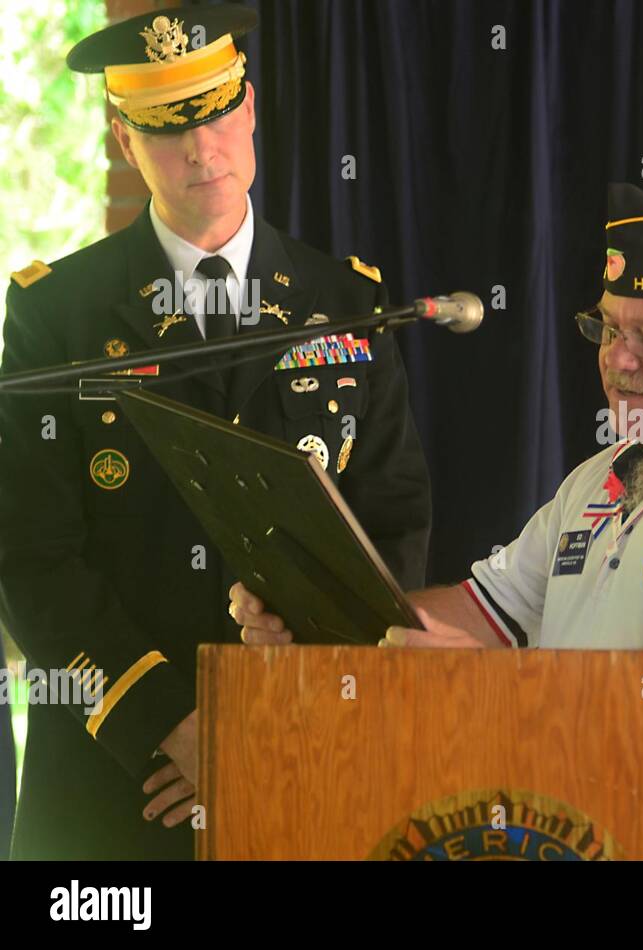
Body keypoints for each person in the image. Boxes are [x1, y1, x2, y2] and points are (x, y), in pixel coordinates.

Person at [0, 5, 431, 859]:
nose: (201, 151)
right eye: (166, 130)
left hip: (303, 748)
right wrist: (171, 726)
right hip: (116, 775)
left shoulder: (346, 303)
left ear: (252, 110)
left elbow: (393, 529)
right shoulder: (57, 315)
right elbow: (32, 551)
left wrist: (290, 703)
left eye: (214, 115)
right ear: (126, 142)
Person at [235, 184, 643, 702]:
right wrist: (317, 615)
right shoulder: (603, 473)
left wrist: (495, 684)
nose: (617, 359)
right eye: (608, 326)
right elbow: (483, 613)